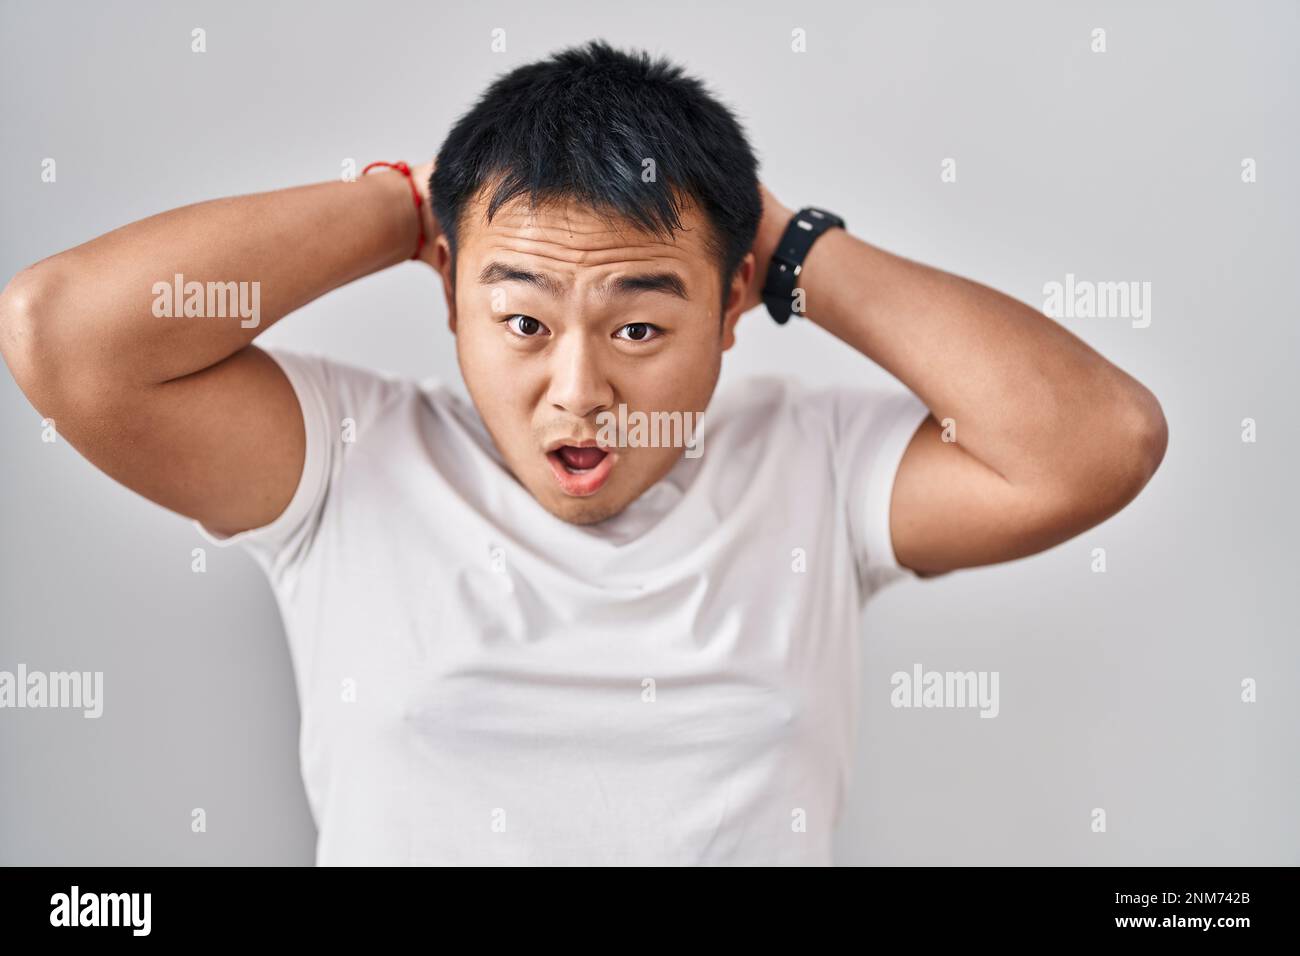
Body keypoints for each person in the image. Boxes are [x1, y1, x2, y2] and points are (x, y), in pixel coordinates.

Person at [0, 39, 1166, 865]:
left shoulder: (812, 467)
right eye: (522, 320)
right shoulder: (345, 466)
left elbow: (1099, 441)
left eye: (639, 328)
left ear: (731, 306)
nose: (578, 391)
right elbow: (62, 332)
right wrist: (407, 209)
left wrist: (787, 242)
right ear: (450, 296)